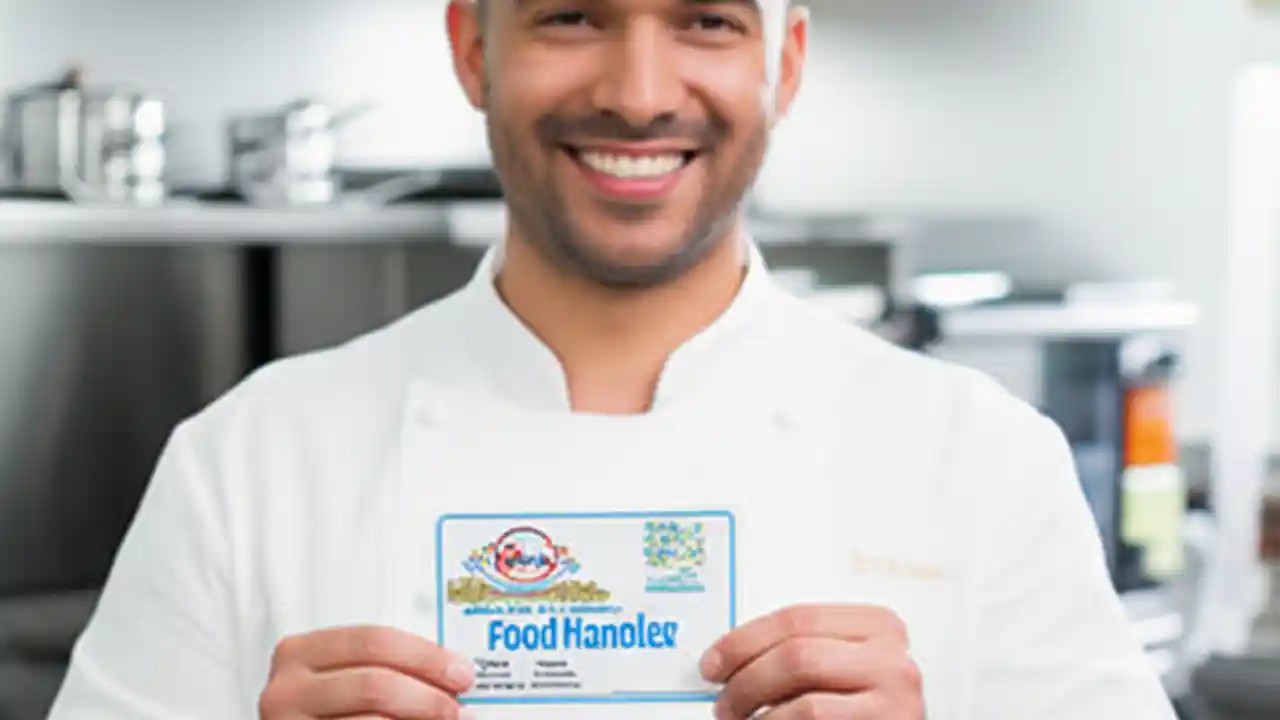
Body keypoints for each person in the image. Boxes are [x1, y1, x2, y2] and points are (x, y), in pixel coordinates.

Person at [49, 0, 1177, 718]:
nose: (638, 94)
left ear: (783, 64)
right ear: (468, 47)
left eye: (705, 21)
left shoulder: (978, 457)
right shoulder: (249, 459)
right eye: (573, 16)